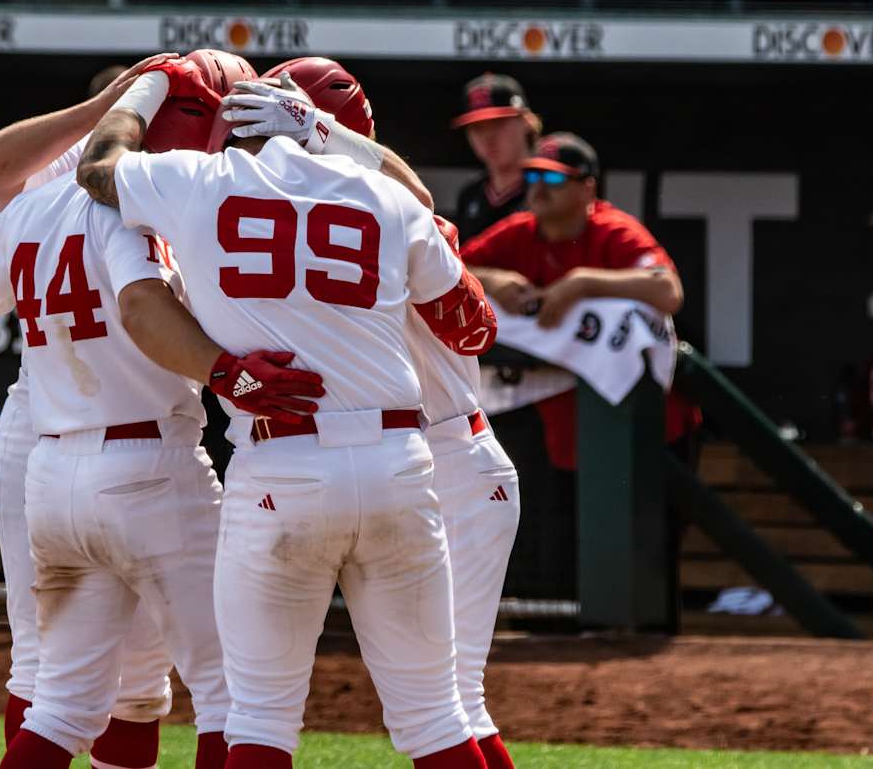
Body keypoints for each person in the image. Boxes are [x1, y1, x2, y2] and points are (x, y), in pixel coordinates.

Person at [77, 62, 497, 769]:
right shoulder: (381, 192)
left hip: (283, 460)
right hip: (400, 461)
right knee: (437, 718)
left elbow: (99, 167)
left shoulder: (194, 181)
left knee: (261, 720)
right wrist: (334, 140)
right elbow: (474, 327)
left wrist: (141, 92)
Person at [0, 51, 319, 769]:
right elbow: (143, 307)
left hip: (54, 463)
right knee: (234, 696)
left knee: (65, 701)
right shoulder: (149, 203)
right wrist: (229, 376)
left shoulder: (38, 204)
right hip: (148, 463)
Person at [230, 56, 523, 769]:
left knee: (450, 699)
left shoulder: (401, 213)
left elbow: (471, 328)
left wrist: (320, 135)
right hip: (391, 463)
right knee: (438, 707)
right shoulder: (286, 218)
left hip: (451, 454)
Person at [462, 132, 699, 623]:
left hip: (648, 428)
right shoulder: (518, 231)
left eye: (553, 178)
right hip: (560, 428)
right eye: (532, 176)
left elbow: (668, 290)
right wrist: (493, 279)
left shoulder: (611, 230)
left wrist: (582, 283)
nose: (538, 188)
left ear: (588, 189)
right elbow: (444, 266)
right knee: (556, 548)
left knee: (645, 554)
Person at [450, 73, 542, 244]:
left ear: (527, 121)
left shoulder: (549, 187)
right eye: (477, 128)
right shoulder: (470, 194)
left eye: (498, 124)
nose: (488, 138)